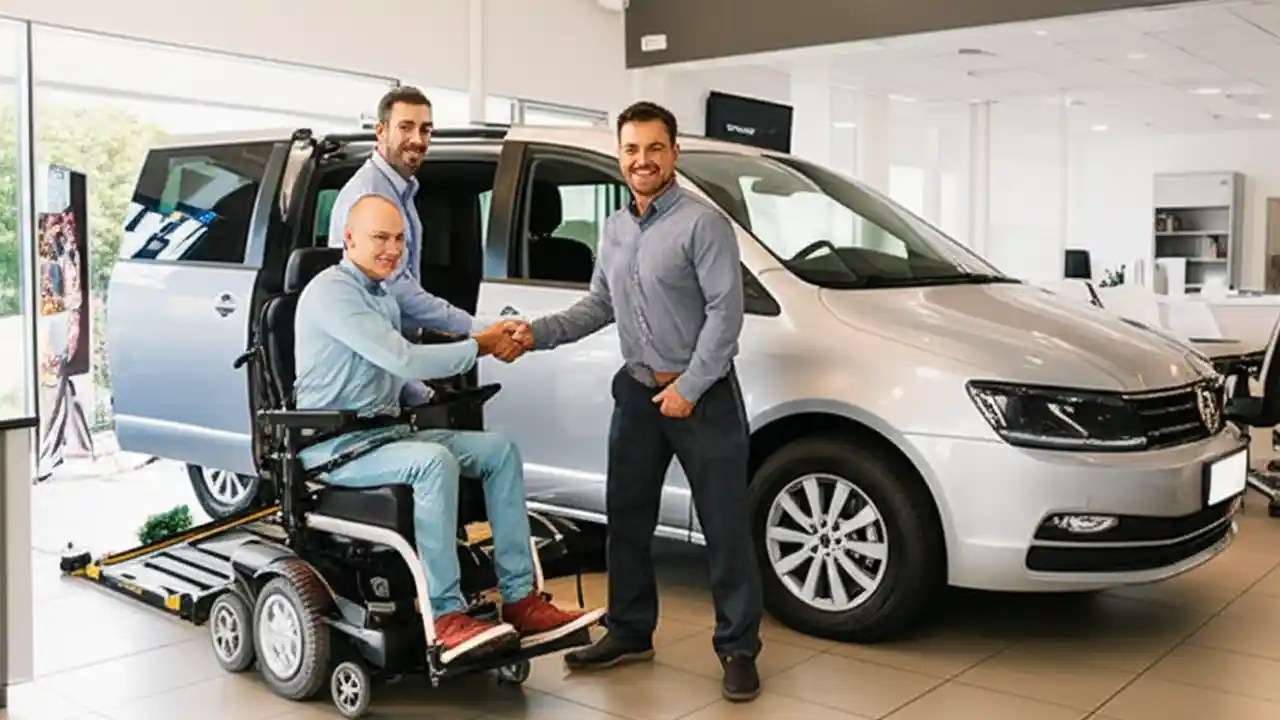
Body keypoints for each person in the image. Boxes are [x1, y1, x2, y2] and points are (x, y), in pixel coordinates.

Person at [505, 101, 763, 701]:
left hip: (703, 396)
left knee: (725, 527)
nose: (641, 160)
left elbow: (727, 317)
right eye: (630, 149)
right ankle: (628, 630)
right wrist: (535, 334)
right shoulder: (616, 229)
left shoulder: (704, 225)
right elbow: (599, 306)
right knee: (626, 519)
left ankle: (739, 648)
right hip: (639, 392)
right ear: (619, 155)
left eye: (653, 148)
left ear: (674, 153)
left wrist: (690, 388)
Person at [294, 192, 604, 662]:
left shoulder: (381, 297)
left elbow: (392, 374)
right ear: (349, 237)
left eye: (399, 239)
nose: (392, 250)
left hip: (385, 435)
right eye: (380, 238)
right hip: (336, 446)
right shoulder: (332, 292)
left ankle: (520, 600)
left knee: (499, 450)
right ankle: (445, 616)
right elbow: (400, 356)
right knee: (433, 462)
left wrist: (432, 396)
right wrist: (481, 344)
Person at [326, 86, 516, 401]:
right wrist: (476, 328)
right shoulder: (369, 196)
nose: (418, 138)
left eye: (426, 129)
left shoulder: (402, 190)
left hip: (394, 361)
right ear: (380, 131)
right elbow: (395, 287)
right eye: (406, 127)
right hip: (372, 368)